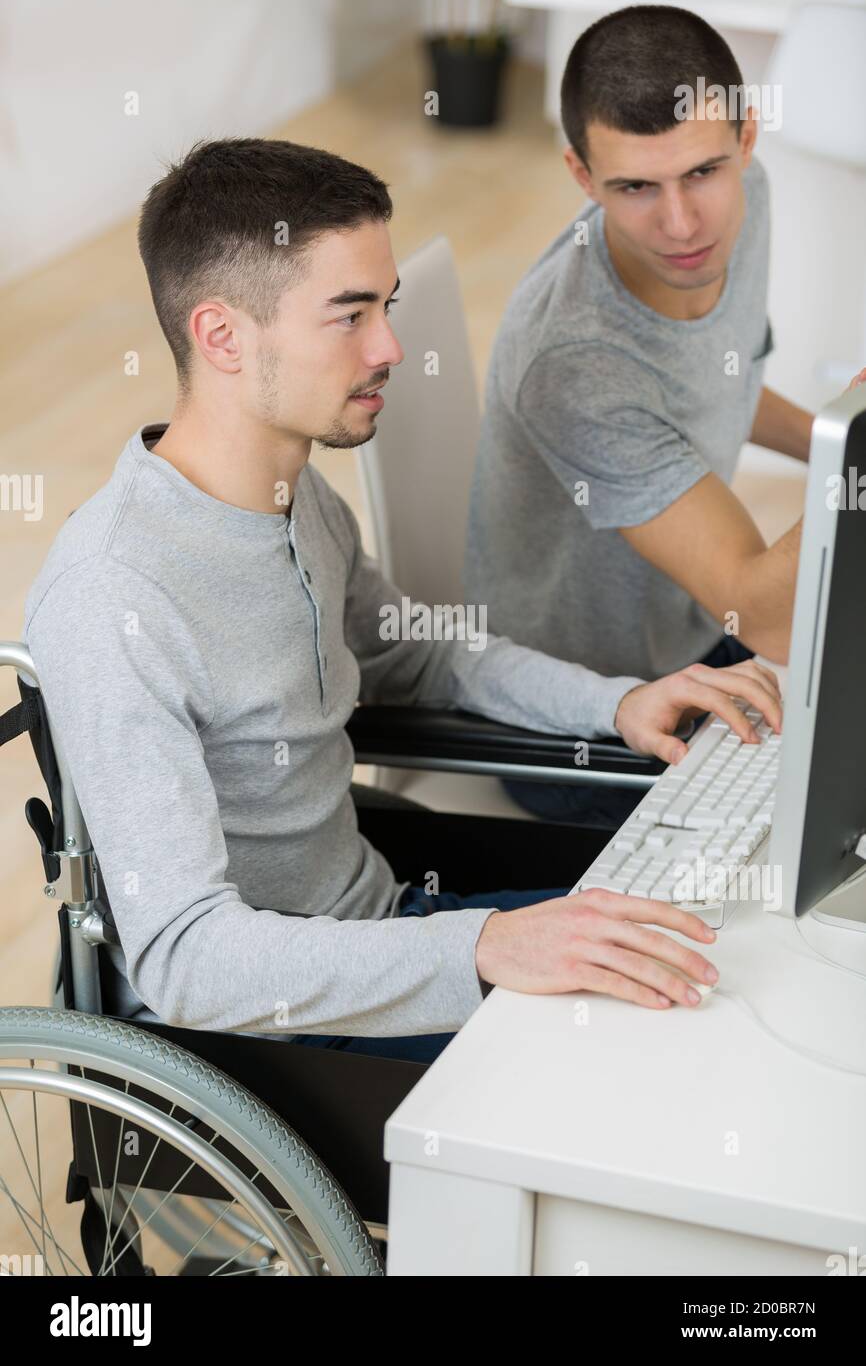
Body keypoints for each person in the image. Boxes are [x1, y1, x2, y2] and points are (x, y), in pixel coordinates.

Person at [24, 138, 782, 1065]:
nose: (390, 347)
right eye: (348, 316)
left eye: (386, 307)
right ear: (221, 336)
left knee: (719, 950)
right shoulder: (113, 597)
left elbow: (420, 655)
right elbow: (185, 957)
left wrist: (615, 703)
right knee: (677, 1048)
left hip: (387, 930)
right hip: (279, 1035)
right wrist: (484, 947)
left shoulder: (295, 495)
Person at [463, 5, 837, 829]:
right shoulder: (574, 363)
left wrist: (832, 439)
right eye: (634, 187)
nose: (681, 224)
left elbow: (716, 386)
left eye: (702, 172)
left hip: (699, 641)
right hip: (596, 721)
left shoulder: (748, 200)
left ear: (746, 141)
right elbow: (761, 611)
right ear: (580, 174)